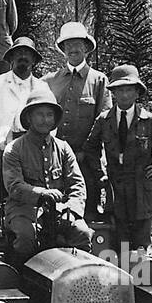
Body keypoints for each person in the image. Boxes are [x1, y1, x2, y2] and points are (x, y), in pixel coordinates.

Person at [83, 65, 152, 255]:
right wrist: (100, 174)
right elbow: (90, 149)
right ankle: (123, 279)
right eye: (119, 90)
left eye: (129, 90)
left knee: (141, 242)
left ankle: (142, 279)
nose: (124, 95)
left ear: (137, 93)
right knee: (120, 241)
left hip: (142, 189)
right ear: (113, 93)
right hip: (116, 189)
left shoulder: (148, 120)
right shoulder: (104, 120)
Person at [2, 86, 92, 264]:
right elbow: (15, 186)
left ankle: (75, 282)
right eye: (39, 114)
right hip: (23, 211)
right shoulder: (14, 149)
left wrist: (72, 211)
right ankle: (24, 284)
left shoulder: (63, 148)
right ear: (29, 117)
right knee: (27, 237)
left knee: (83, 233)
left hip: (60, 211)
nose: (45, 120)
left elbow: (77, 185)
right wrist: (41, 193)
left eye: (49, 115)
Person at [43, 21, 111, 220]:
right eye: (68, 44)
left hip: (86, 160)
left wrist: (85, 151)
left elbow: (103, 121)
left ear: (87, 49)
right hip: (53, 159)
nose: (73, 48)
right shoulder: (49, 81)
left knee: (87, 212)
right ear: (63, 49)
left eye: (77, 44)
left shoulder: (99, 80)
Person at [0, 35, 41, 218]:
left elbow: (50, 122)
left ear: (34, 60)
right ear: (10, 59)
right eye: (18, 53)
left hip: (31, 152)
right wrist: (1, 144)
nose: (22, 57)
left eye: (27, 54)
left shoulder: (42, 87)